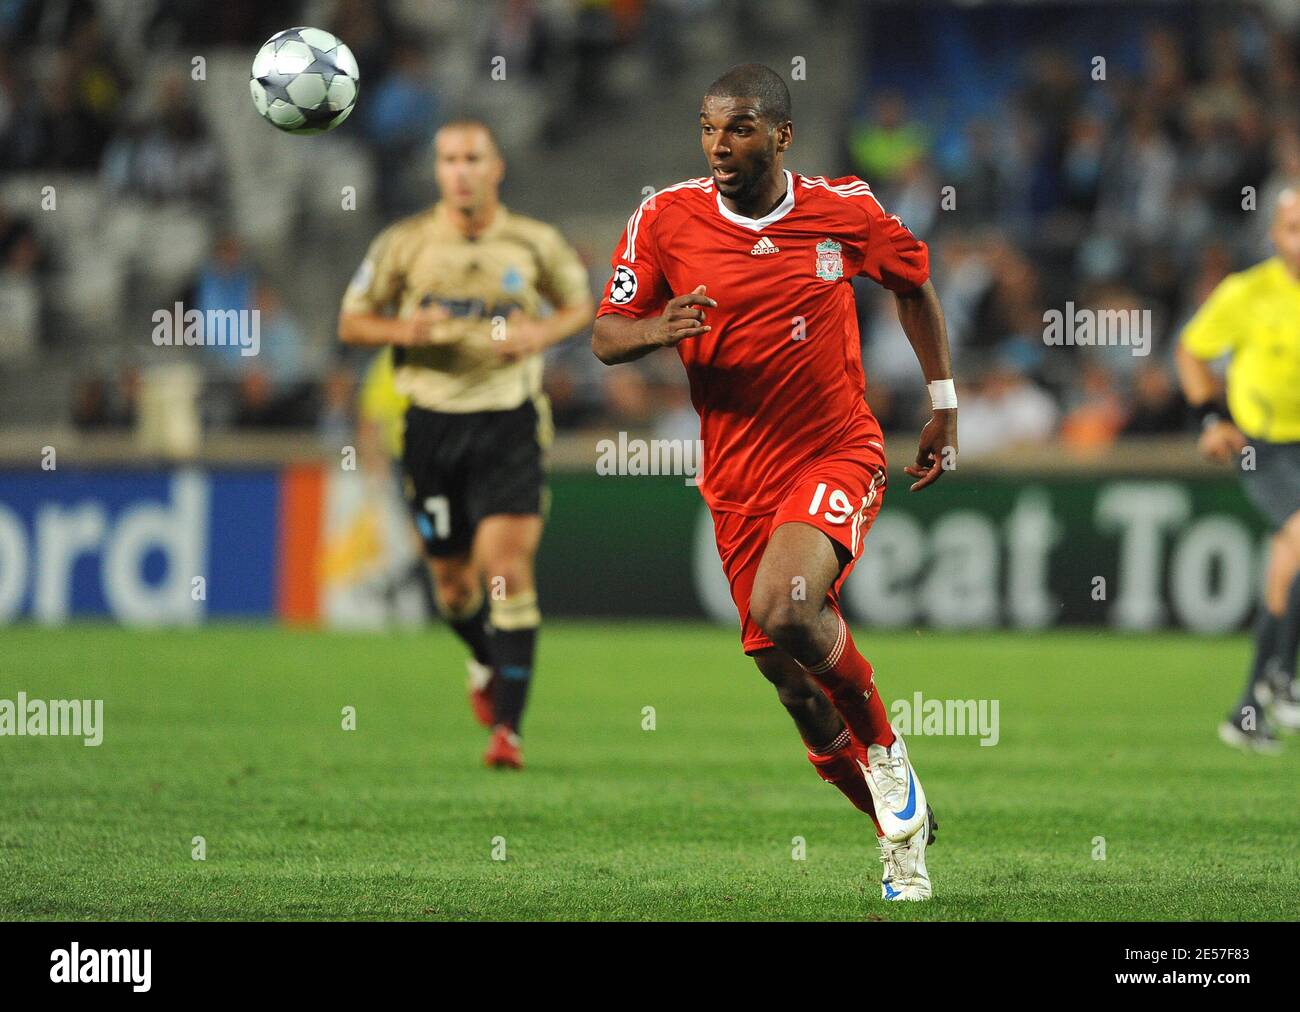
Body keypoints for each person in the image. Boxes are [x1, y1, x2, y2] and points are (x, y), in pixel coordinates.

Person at [592, 65, 957, 901]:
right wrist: (658, 326)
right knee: (793, 686)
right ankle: (897, 836)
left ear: (782, 136)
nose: (721, 145)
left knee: (790, 605)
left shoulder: (843, 209)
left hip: (836, 450)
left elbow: (914, 285)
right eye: (709, 128)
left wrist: (944, 403)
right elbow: (607, 336)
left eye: (741, 128)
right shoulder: (664, 217)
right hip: (736, 481)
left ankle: (888, 750)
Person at [338, 119, 595, 769]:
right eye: (448, 159)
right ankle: (484, 655)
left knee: (507, 572)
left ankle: (508, 732)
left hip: (508, 420)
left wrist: (539, 336)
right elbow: (351, 320)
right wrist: (406, 326)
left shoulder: (533, 241)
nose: (460, 170)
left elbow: (578, 303)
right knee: (453, 586)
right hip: (430, 426)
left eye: (472, 157)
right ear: (437, 171)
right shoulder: (405, 242)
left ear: (496, 167)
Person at [1176, 184, 1300, 752]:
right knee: (1298, 534)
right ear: (1273, 234)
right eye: (1293, 227)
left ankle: (1250, 704)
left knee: (1289, 550)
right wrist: (1210, 419)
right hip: (1265, 445)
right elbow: (1192, 350)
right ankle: (1281, 680)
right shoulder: (1246, 292)